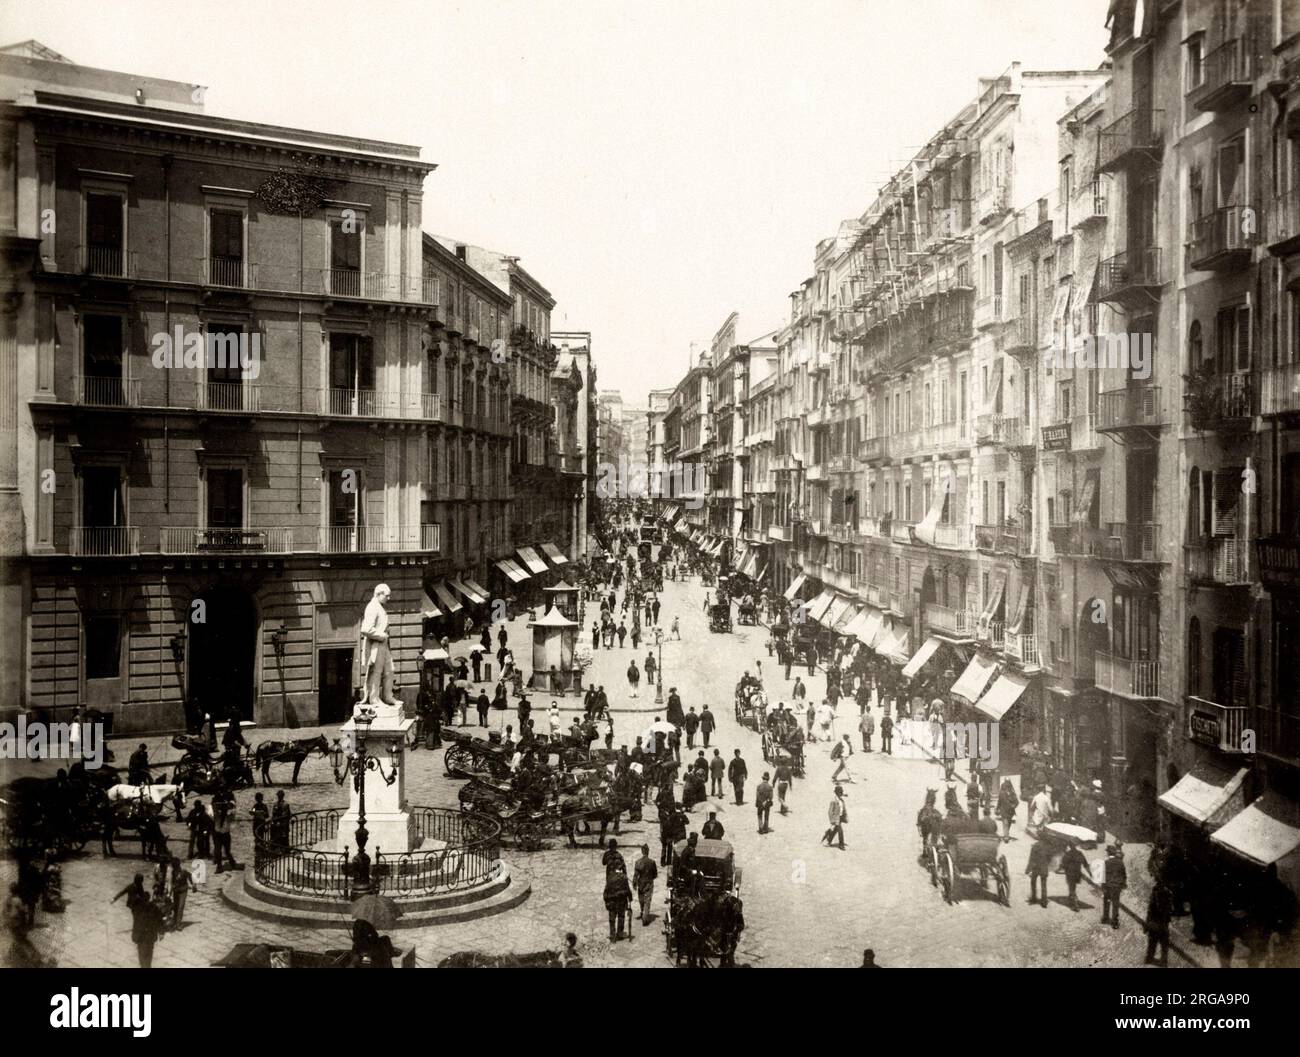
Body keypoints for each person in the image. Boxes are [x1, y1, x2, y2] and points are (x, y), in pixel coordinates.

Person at [1145, 882, 1174, 966]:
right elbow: (1170, 910)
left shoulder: (1155, 894)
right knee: (1164, 942)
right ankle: (1163, 960)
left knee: (1152, 941)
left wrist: (1147, 924)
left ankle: (1150, 958)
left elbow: (1150, 910)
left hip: (1154, 922)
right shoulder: (1168, 894)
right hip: (1162, 923)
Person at [603, 864, 633, 942]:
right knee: (621, 917)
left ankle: (612, 937)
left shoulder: (610, 877)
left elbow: (606, 891)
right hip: (621, 902)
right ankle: (619, 934)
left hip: (612, 902)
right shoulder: (624, 877)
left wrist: (606, 901)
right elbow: (628, 890)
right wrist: (630, 899)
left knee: (612, 919)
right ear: (621, 869)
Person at [1101, 842, 1127, 929]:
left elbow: (1102, 876)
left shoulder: (1106, 862)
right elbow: (1124, 874)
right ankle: (1115, 922)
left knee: (1107, 902)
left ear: (1108, 853)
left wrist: (1103, 886)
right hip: (1116, 887)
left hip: (1108, 886)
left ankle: (1105, 918)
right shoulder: (1120, 862)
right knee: (1115, 904)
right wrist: (1123, 884)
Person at [633, 845, 658, 927]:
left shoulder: (638, 862)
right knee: (647, 900)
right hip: (649, 883)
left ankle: (642, 912)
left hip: (641, 883)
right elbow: (655, 874)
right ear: (648, 851)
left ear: (642, 851)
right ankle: (645, 917)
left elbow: (635, 875)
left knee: (641, 899)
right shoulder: (652, 862)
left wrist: (634, 883)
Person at [1025, 833, 1051, 908]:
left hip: (1036, 868)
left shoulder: (1035, 846)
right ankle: (1044, 901)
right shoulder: (1048, 847)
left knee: (1033, 882)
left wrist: (1027, 870)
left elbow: (1031, 859)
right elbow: (1049, 858)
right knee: (1044, 884)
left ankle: (1033, 898)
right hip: (1044, 868)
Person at [169, 857, 197, 928]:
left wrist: (193, 885)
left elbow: (190, 876)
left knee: (180, 907)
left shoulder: (183, 871)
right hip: (176, 891)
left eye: (175, 866)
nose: (174, 868)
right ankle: (174, 920)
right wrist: (171, 890)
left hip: (183, 891)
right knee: (175, 906)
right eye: (173, 866)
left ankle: (178, 923)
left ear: (178, 865)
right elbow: (172, 881)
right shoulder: (173, 872)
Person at [1061, 840, 1087, 912]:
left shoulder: (1068, 854)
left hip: (1070, 874)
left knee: (1071, 888)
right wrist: (1090, 873)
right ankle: (1070, 897)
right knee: (1073, 886)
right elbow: (1085, 863)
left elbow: (1063, 865)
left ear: (1069, 846)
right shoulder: (1079, 853)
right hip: (1077, 874)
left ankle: (1075, 905)